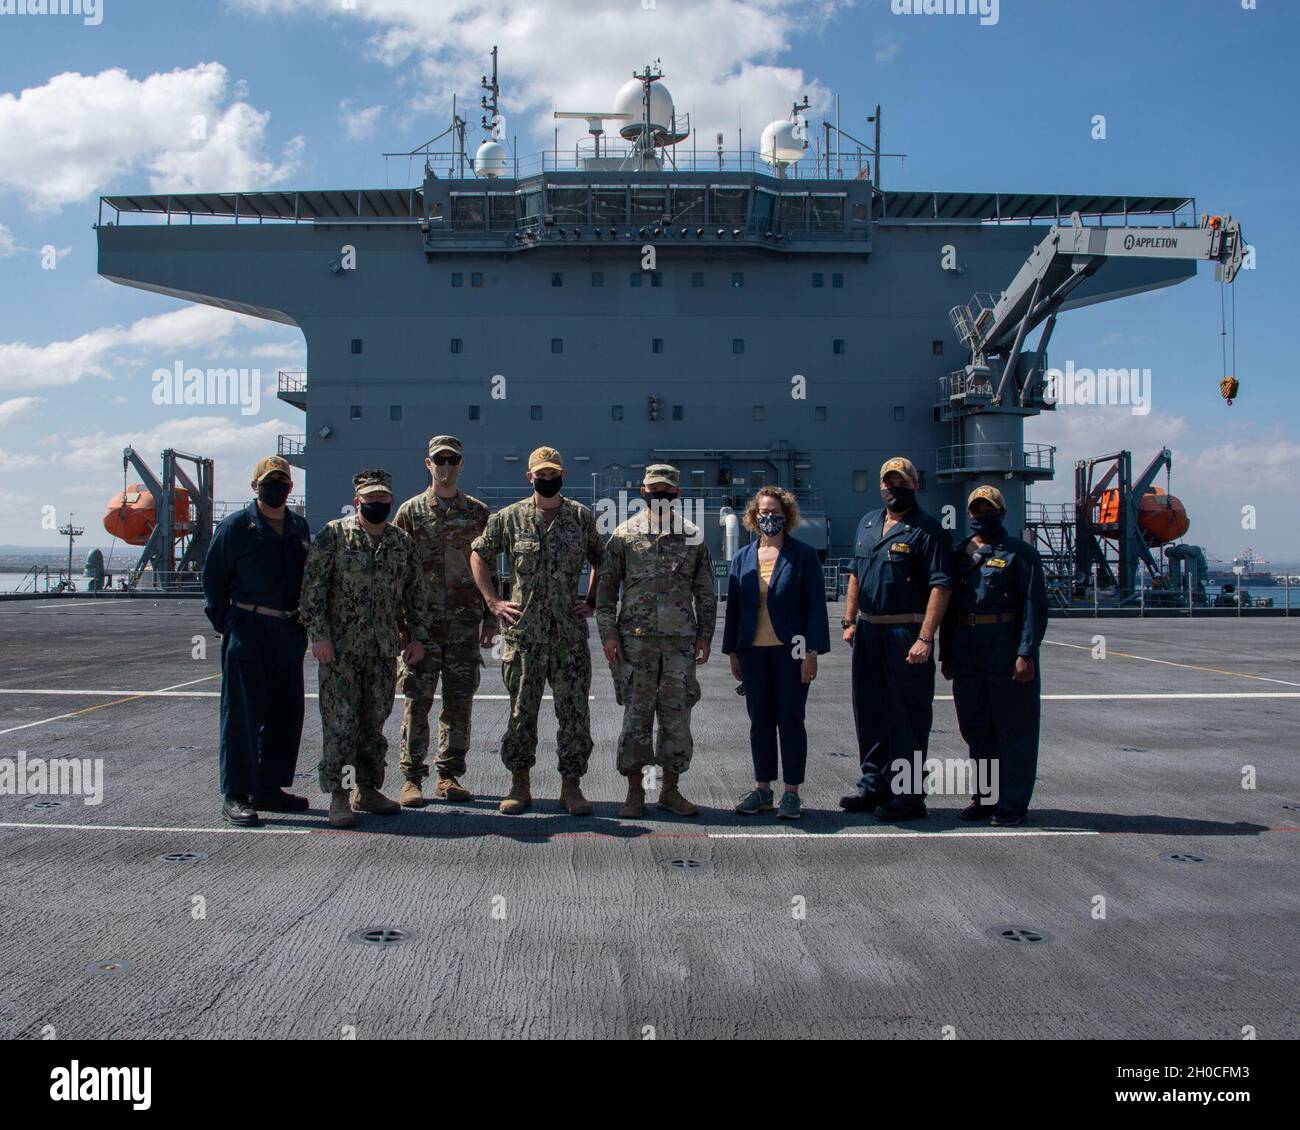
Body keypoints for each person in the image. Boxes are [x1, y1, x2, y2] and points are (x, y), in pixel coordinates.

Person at [470, 446, 603, 816]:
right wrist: (493, 602)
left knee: (574, 714)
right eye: (541, 474)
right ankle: (519, 784)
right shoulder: (509, 518)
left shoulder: (580, 517)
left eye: (553, 473)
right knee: (520, 713)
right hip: (523, 636)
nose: (548, 479)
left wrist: (590, 600)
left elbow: (600, 559)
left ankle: (571, 787)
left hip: (568, 637)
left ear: (562, 475)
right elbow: (479, 554)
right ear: (530, 477)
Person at [300, 470, 428, 828]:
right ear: (357, 501)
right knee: (341, 725)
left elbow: (415, 594)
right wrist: (319, 636)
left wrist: (416, 636)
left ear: (391, 500)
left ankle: (368, 789)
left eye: (383, 500)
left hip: (382, 650)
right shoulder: (334, 536)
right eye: (370, 500)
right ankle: (341, 796)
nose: (377, 505)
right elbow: (312, 592)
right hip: (340, 651)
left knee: (373, 724)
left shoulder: (401, 542)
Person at [596, 464, 716, 818]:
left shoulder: (692, 535)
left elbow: (706, 593)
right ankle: (635, 793)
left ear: (677, 494)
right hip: (636, 644)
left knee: (676, 718)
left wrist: (705, 636)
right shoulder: (622, 536)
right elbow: (605, 594)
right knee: (636, 718)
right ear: (643, 493)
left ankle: (670, 790)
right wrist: (608, 636)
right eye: (654, 490)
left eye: (666, 491)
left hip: (679, 644)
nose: (659, 496)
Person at [202, 455, 312, 827]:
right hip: (247, 627)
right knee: (243, 715)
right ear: (255, 487)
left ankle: (269, 788)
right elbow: (212, 582)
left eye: (282, 480)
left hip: (287, 630)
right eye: (269, 481)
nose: (276, 486)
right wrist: (229, 624)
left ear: (290, 487)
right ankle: (236, 794)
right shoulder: (236, 527)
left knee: (285, 712)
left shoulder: (299, 527)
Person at [841, 457, 952, 822]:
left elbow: (940, 586)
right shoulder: (868, 523)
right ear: (881, 486)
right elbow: (855, 573)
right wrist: (849, 619)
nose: (893, 488)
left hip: (906, 632)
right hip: (869, 631)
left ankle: (907, 797)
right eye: (888, 482)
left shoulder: (928, 530)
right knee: (868, 710)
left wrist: (925, 638)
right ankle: (874, 785)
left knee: (906, 716)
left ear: (914, 486)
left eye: (900, 482)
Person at [393, 436, 495, 808]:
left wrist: (489, 618)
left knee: (458, 703)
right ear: (428, 463)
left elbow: (488, 565)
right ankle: (411, 778)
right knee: (416, 702)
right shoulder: (409, 512)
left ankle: (448, 775)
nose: (447, 466)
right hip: (422, 628)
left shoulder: (478, 514)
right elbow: (396, 571)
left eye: (453, 460)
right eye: (440, 460)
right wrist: (402, 627)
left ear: (462, 464)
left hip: (464, 625)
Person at [940, 485, 1048, 826]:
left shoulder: (1020, 554)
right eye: (976, 509)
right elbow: (949, 608)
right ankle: (986, 797)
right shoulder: (959, 555)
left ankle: (1013, 803)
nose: (981, 515)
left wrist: (1026, 653)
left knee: (1013, 726)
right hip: (967, 648)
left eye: (988, 509)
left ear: (1001, 514)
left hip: (1005, 645)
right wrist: (947, 654)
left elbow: (1034, 608)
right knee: (976, 727)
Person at [722, 487, 830, 820]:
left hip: (792, 651)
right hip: (753, 653)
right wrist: (733, 652)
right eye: (763, 512)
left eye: (776, 512)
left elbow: (815, 607)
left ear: (787, 515)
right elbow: (735, 609)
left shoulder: (804, 555)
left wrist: (812, 652)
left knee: (792, 720)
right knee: (760, 722)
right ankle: (763, 789)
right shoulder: (742, 558)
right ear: (754, 517)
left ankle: (792, 793)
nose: (770, 517)